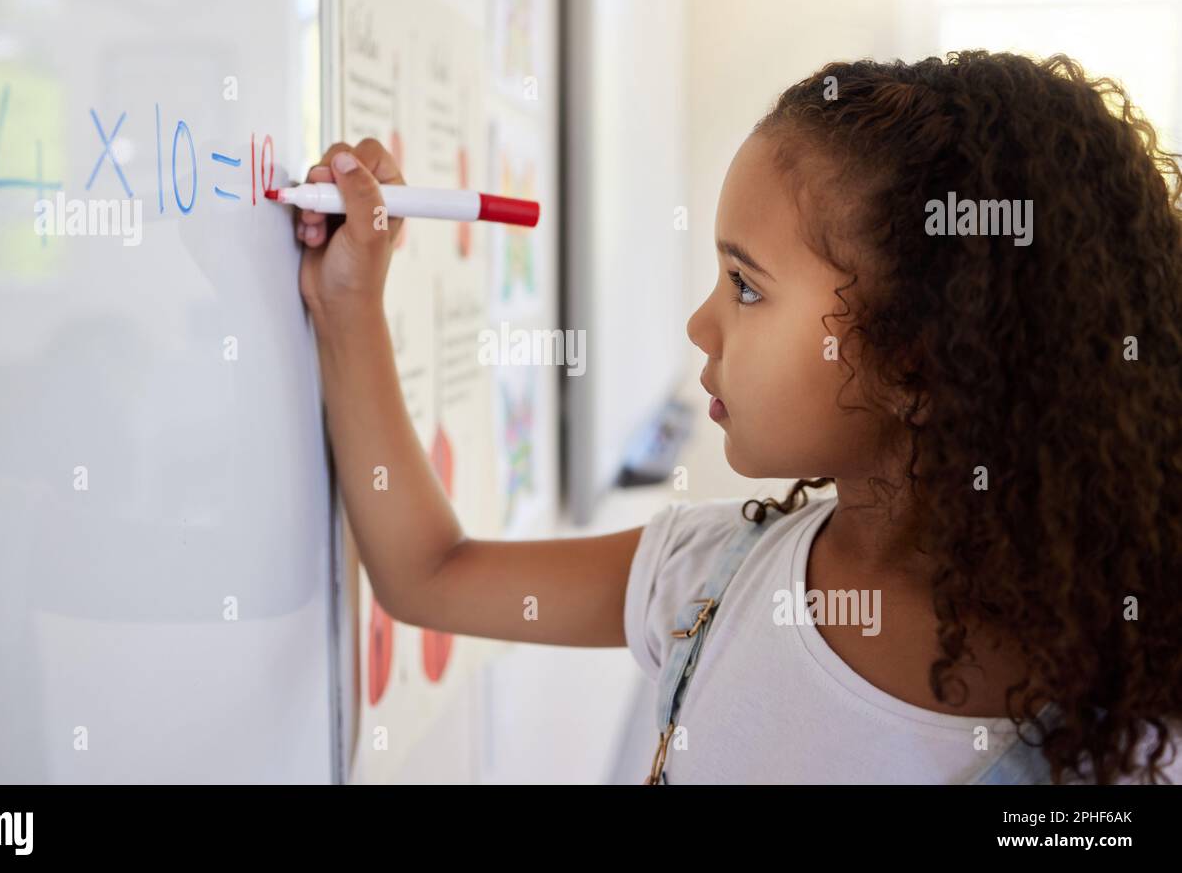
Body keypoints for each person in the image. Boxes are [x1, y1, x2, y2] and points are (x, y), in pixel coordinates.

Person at [293, 50, 1182, 784]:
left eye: (747, 287)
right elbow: (428, 572)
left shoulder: (1116, 751)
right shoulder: (711, 578)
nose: (699, 325)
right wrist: (350, 303)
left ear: (916, 363)